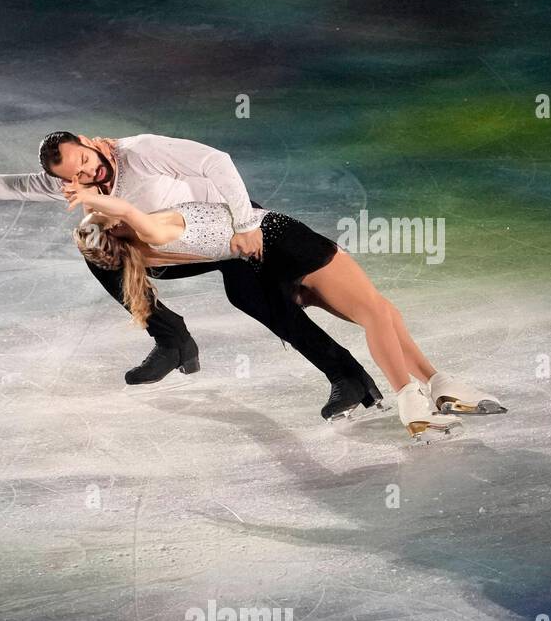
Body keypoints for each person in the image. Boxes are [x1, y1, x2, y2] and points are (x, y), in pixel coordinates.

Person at [0, 132, 383, 420]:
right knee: (94, 243)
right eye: (77, 176)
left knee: (263, 304)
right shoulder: (72, 186)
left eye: (88, 161)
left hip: (224, 230)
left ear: (92, 145)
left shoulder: (139, 152)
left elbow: (218, 162)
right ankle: (171, 338)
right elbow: (5, 185)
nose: (90, 175)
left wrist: (243, 223)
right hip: (175, 246)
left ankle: (349, 378)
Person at [66, 188, 507, 440]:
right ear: (117, 225)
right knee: (376, 311)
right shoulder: (150, 226)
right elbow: (121, 211)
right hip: (280, 240)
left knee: (380, 311)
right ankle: (412, 398)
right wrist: (94, 201)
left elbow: (108, 225)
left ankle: (434, 384)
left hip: (260, 260)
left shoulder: (145, 255)